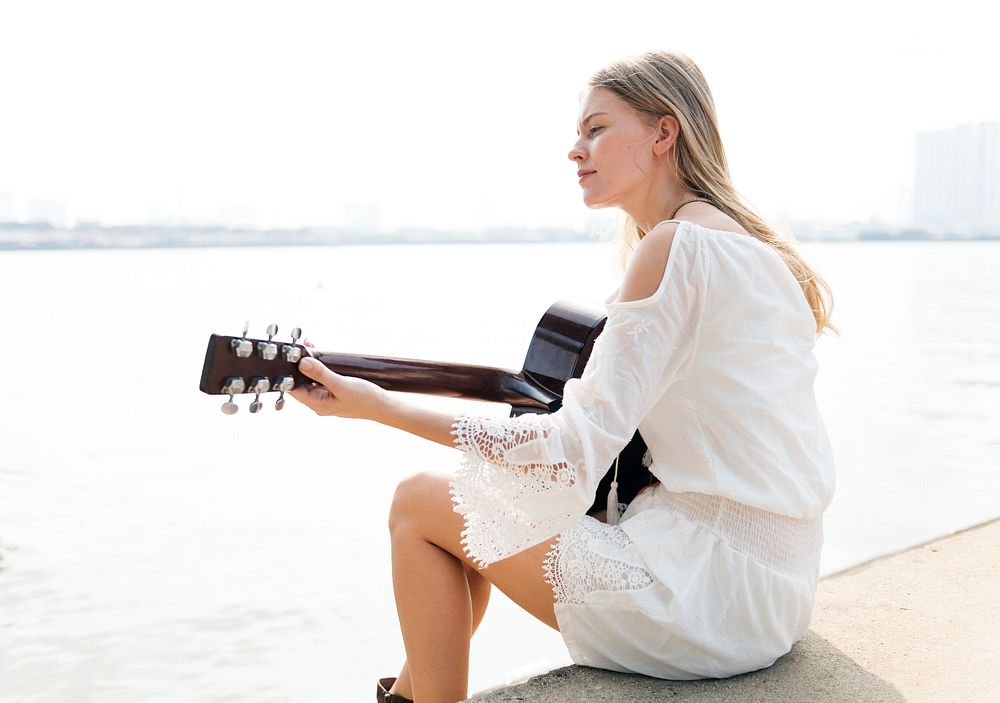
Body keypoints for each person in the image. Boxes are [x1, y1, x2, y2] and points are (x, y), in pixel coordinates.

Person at [290, 49, 835, 703]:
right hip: (777, 589)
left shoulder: (676, 246)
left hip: (706, 597)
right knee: (472, 515)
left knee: (418, 500)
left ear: (665, 133)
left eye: (597, 128)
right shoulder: (758, 253)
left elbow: (567, 457)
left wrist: (379, 406)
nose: (576, 149)